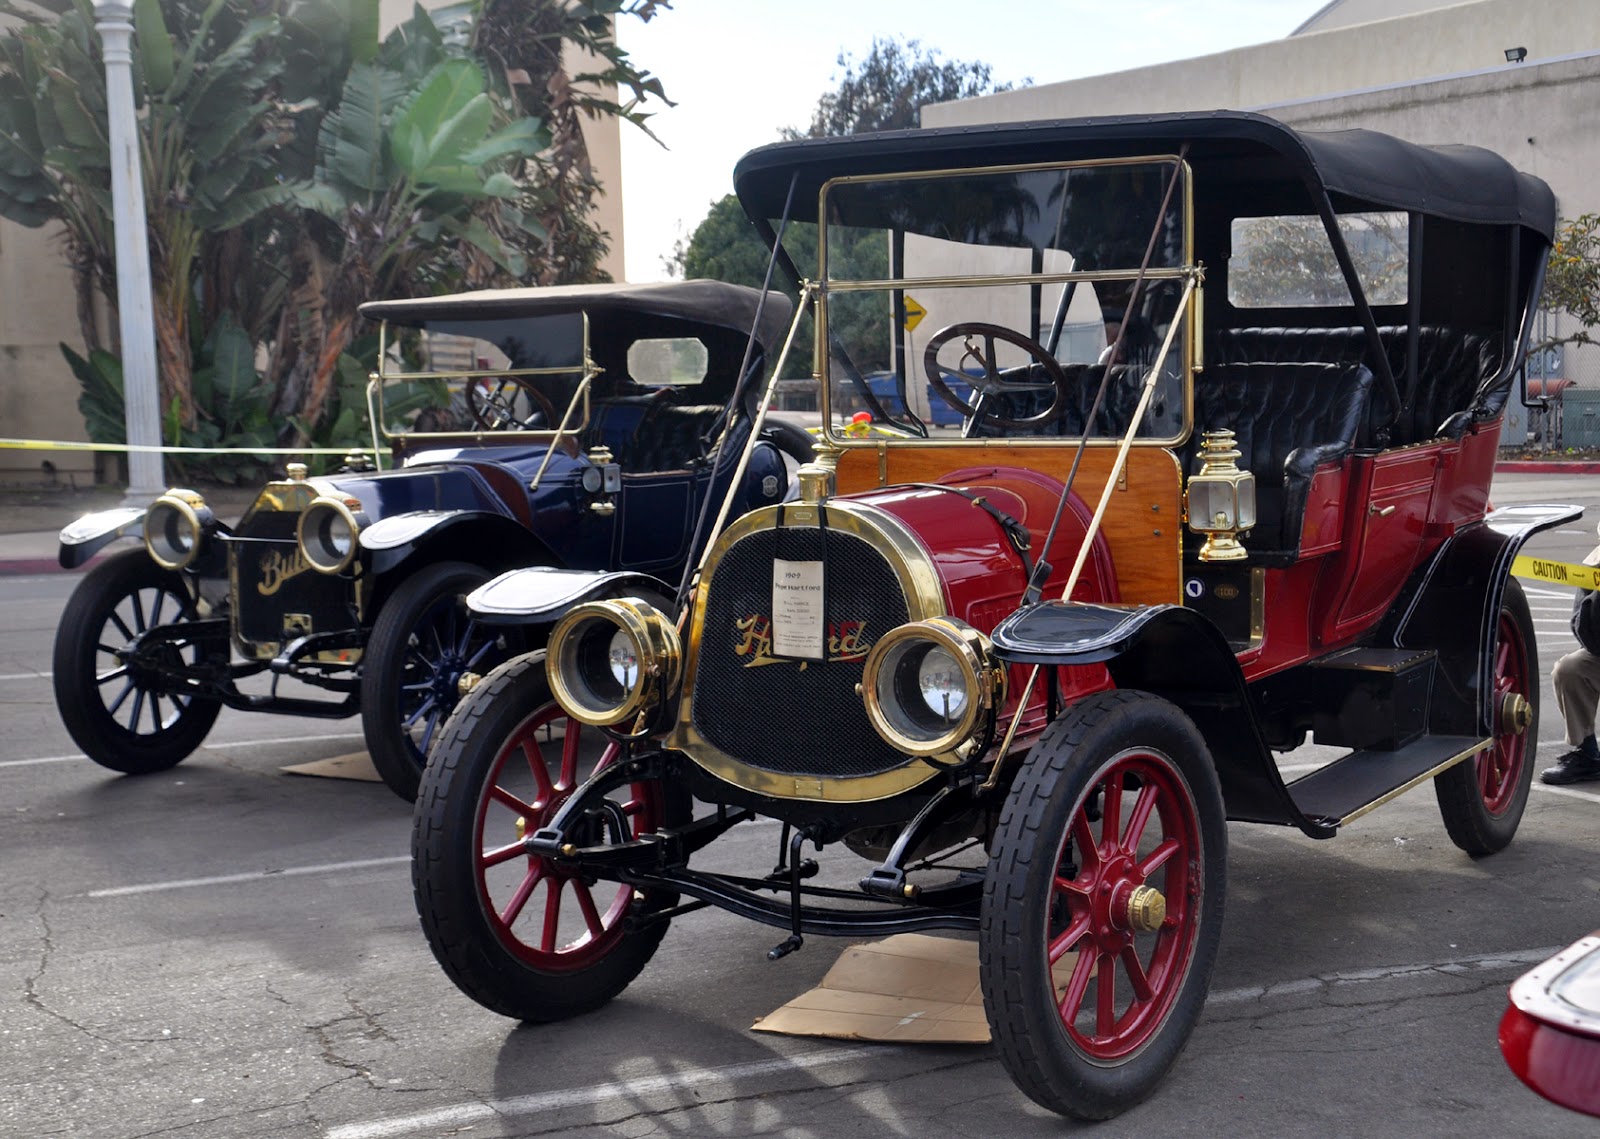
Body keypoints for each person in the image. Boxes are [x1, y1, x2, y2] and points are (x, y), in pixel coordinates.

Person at [1541, 531, 1600, 785]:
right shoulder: (1592, 573)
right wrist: (1597, 597)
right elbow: (1587, 637)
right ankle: (1587, 754)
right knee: (1569, 669)